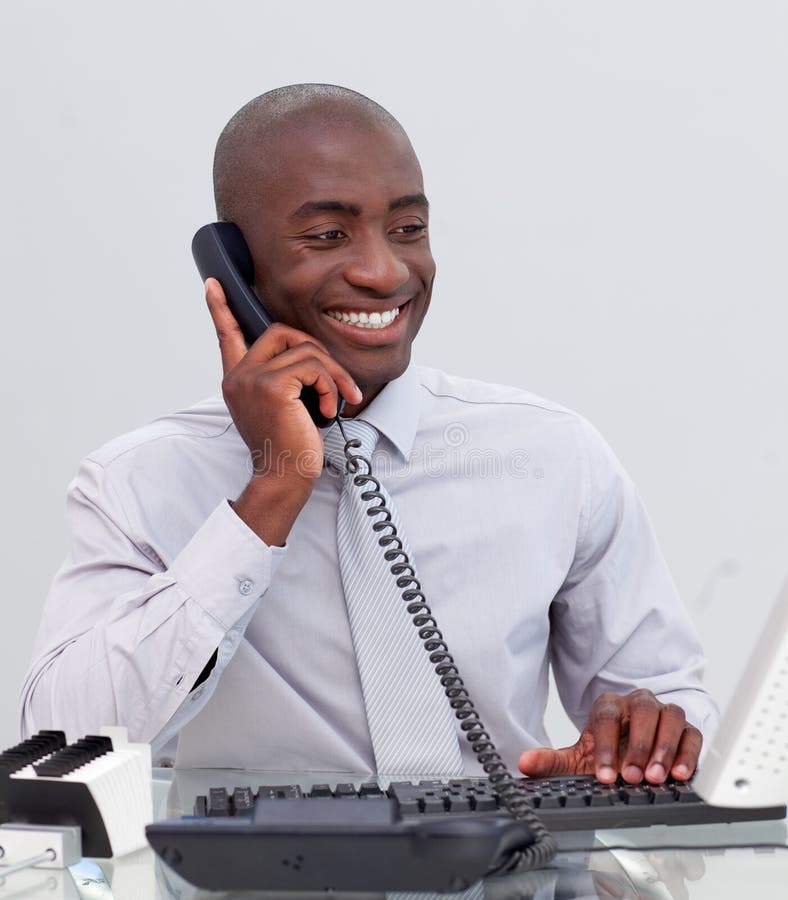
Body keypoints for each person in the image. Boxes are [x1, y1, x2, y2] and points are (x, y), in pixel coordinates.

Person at [21, 84, 717, 783]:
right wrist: (270, 493)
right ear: (234, 270)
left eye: (408, 229)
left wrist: (644, 744)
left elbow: (672, 706)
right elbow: (63, 740)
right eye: (327, 235)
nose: (384, 273)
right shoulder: (139, 480)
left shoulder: (554, 456)